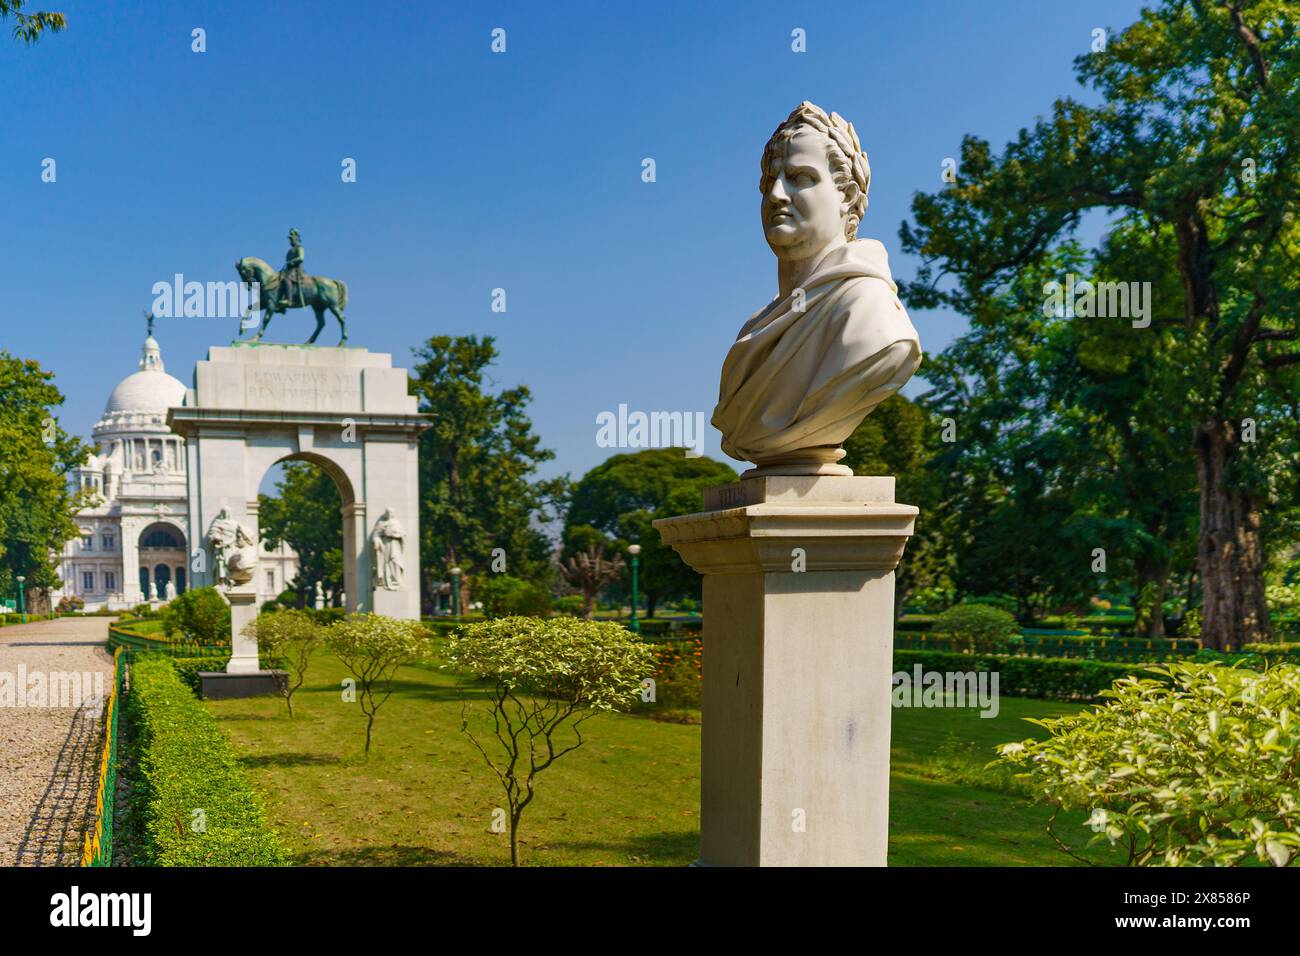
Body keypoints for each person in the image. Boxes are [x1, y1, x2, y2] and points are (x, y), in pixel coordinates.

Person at [711, 102, 922, 476]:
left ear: (848, 196)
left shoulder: (870, 317)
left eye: (800, 177)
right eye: (768, 182)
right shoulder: (754, 331)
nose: (776, 194)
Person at [277, 228, 306, 309]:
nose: (290, 240)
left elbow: (301, 258)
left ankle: (289, 300)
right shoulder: (289, 251)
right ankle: (281, 305)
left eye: (291, 238)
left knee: (286, 279)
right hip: (288, 269)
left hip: (296, 269)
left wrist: (292, 261)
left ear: (296, 238)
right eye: (289, 239)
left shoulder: (299, 248)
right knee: (278, 279)